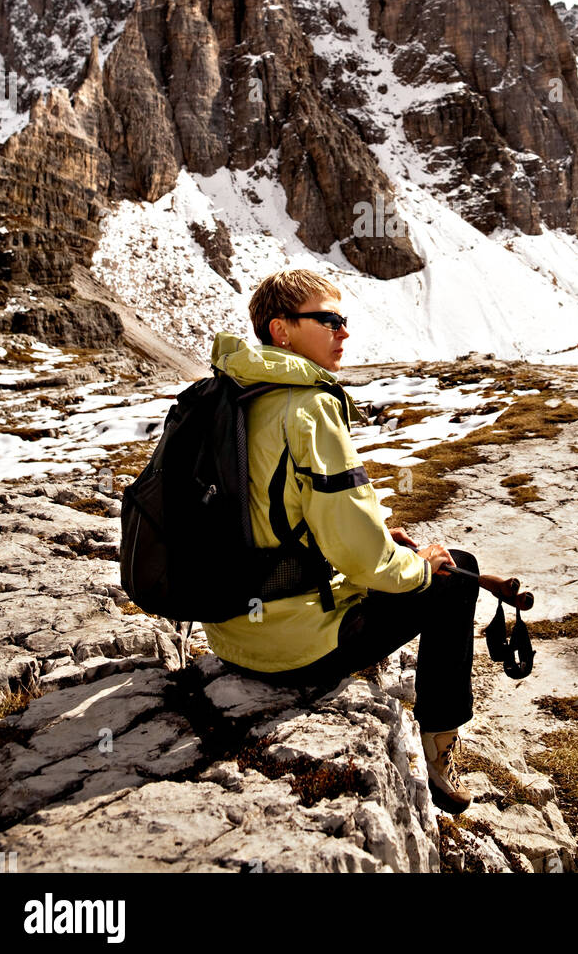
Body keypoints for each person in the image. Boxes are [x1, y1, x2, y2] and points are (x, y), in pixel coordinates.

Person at [202, 266, 479, 812]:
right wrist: (419, 566)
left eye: (344, 320)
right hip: (292, 649)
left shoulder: (229, 391)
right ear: (281, 330)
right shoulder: (309, 407)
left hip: (231, 633)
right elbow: (358, 555)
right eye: (328, 320)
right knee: (454, 574)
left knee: (415, 560)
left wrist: (377, 532)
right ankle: (440, 751)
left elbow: (276, 511)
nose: (343, 332)